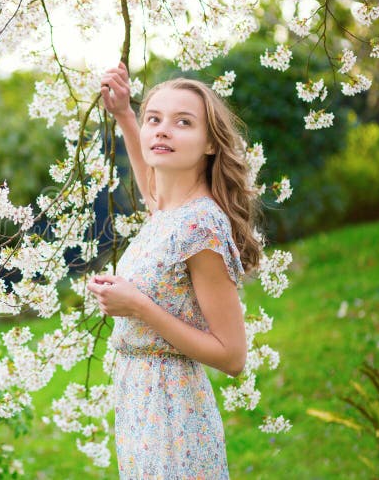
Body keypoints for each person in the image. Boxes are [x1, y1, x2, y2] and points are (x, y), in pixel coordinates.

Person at [86, 62, 263, 479]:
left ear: (209, 144)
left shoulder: (200, 225)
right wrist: (127, 116)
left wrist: (139, 306)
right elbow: (153, 190)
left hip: (172, 411)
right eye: (155, 120)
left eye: (183, 122)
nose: (162, 130)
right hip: (139, 401)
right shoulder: (170, 211)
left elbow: (233, 355)